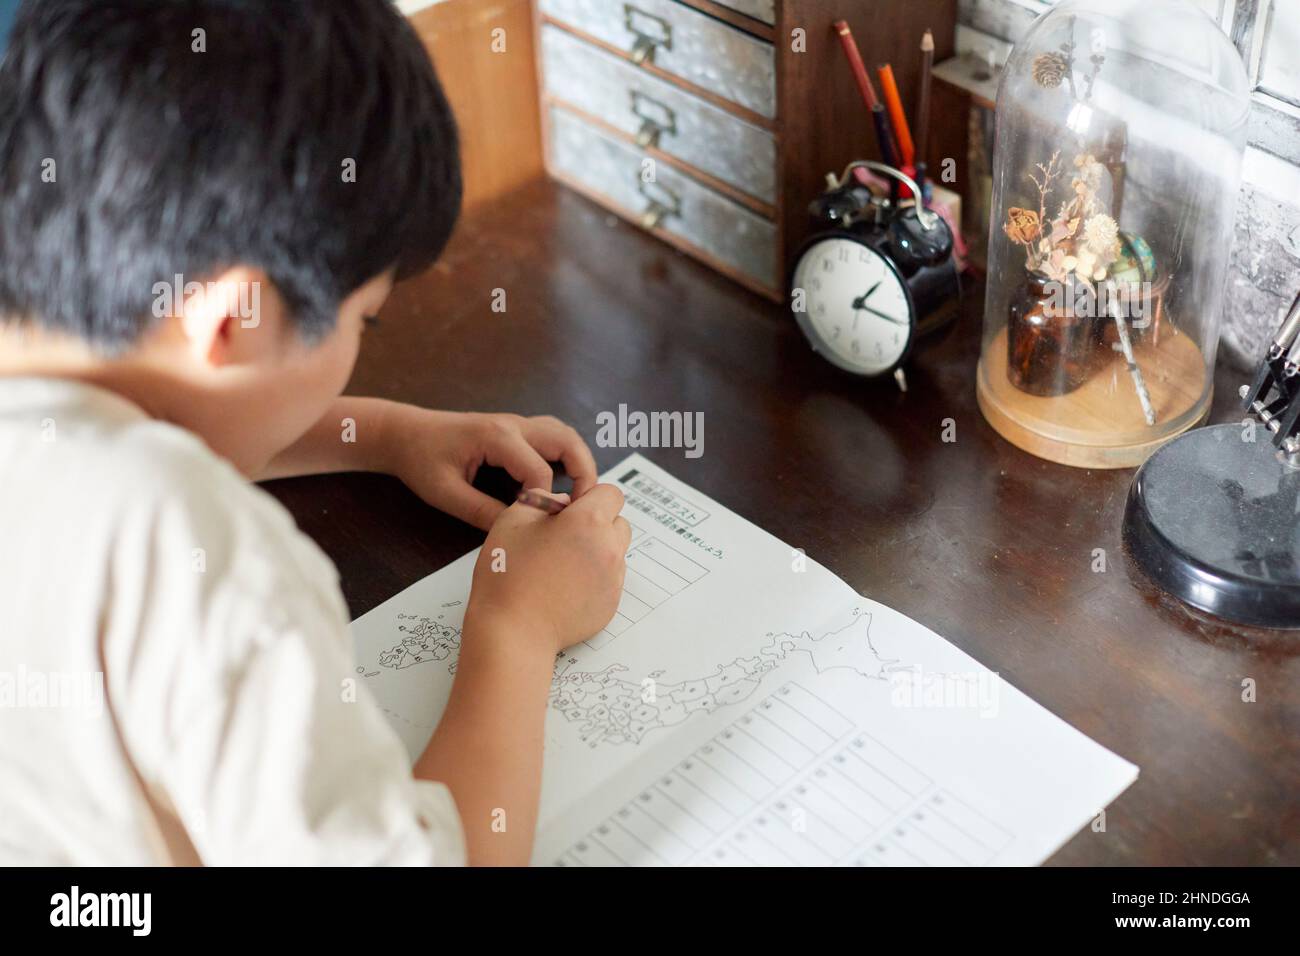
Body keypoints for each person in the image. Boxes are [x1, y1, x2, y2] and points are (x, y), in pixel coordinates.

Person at [0, 0, 630, 866]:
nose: (359, 347)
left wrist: (378, 433)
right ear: (232, 318)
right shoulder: (194, 554)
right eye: (364, 321)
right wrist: (519, 627)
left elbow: (114, 420)